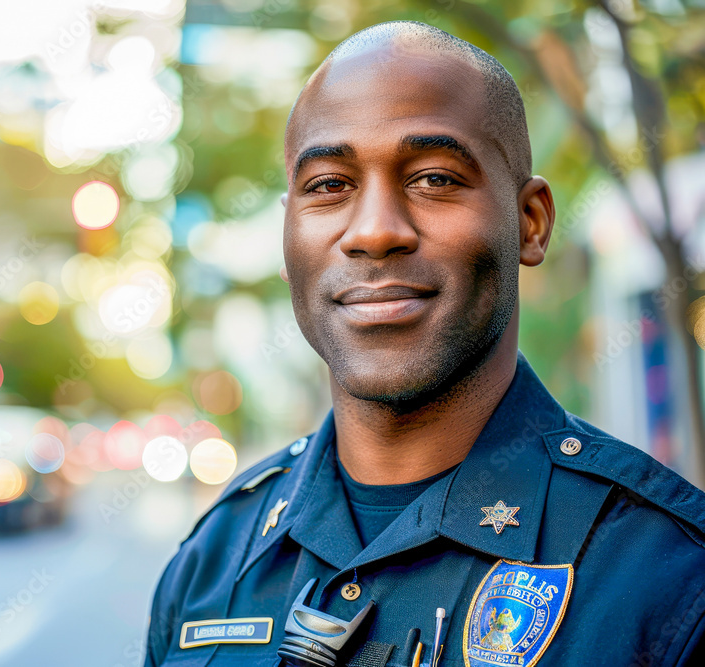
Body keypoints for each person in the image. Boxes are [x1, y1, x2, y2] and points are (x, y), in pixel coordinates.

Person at [142, 20, 705, 667]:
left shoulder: (668, 583)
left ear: (530, 222)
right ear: (288, 235)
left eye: (433, 178)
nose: (375, 232)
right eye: (329, 185)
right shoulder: (211, 563)